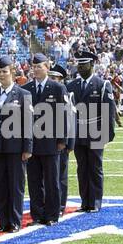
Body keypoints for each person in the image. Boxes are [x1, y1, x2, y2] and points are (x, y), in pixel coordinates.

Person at [66, 48, 115, 213]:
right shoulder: (71, 85)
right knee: (82, 168)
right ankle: (84, 201)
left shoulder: (102, 85)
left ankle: (95, 202)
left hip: (95, 133)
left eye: (84, 64)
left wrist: (106, 136)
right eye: (79, 64)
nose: (80, 67)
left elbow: (108, 111)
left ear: (92, 64)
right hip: (78, 133)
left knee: (95, 168)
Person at [26, 53, 70, 226]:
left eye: (39, 66)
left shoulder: (57, 88)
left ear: (47, 67)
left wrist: (62, 140)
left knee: (52, 180)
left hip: (51, 142)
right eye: (34, 66)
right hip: (32, 142)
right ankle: (37, 215)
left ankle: (52, 215)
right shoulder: (27, 89)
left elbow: (63, 115)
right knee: (34, 180)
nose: (36, 69)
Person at [0, 56, 32, 232]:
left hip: (16, 148)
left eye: (5, 72)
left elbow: (28, 123)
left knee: (16, 186)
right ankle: (3, 222)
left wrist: (27, 148)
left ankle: (15, 221)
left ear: (13, 73)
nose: (2, 75)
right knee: (1, 186)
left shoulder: (23, 94)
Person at [48, 61, 73, 216]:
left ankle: (60, 205)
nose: (52, 80)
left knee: (60, 175)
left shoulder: (65, 93)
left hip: (61, 141)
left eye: (54, 78)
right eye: (50, 77)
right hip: (47, 140)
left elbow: (70, 120)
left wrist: (69, 142)